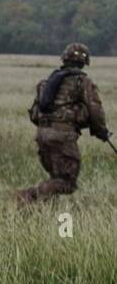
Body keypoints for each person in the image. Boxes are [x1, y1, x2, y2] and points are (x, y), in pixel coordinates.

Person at [17, 42, 111, 204]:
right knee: (67, 182)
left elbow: (34, 114)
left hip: (42, 134)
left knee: (56, 177)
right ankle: (27, 197)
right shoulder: (82, 82)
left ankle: (40, 212)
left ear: (64, 59)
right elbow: (95, 110)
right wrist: (101, 131)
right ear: (83, 62)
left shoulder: (47, 83)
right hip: (62, 136)